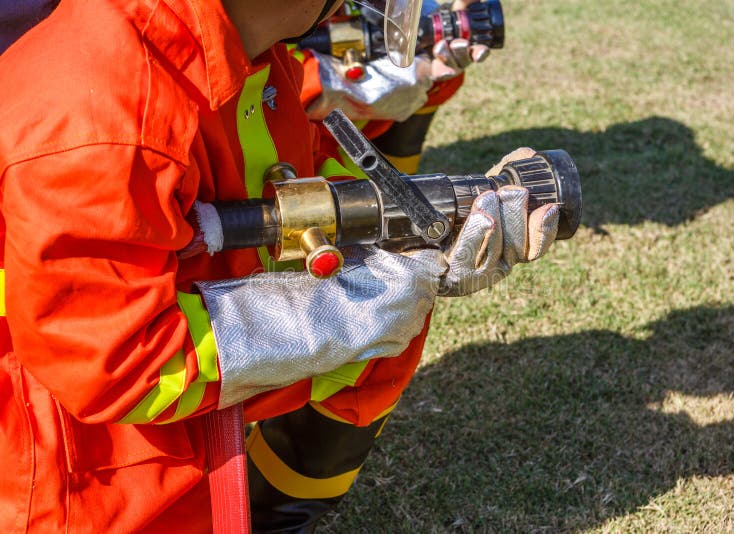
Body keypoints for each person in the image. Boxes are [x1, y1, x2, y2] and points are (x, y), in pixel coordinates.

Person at [0, 0, 559, 532]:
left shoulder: (243, 51)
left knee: (383, 334)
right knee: (376, 321)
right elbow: (117, 363)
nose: (343, 13)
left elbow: (316, 181)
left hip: (98, 387)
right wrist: (355, 305)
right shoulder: (105, 114)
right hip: (57, 468)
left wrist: (433, 227)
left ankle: (273, 519)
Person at [299, 0, 491, 174]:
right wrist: (409, 75)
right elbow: (298, 87)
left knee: (444, 66)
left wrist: (434, 17)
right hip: (293, 139)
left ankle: (401, 179)